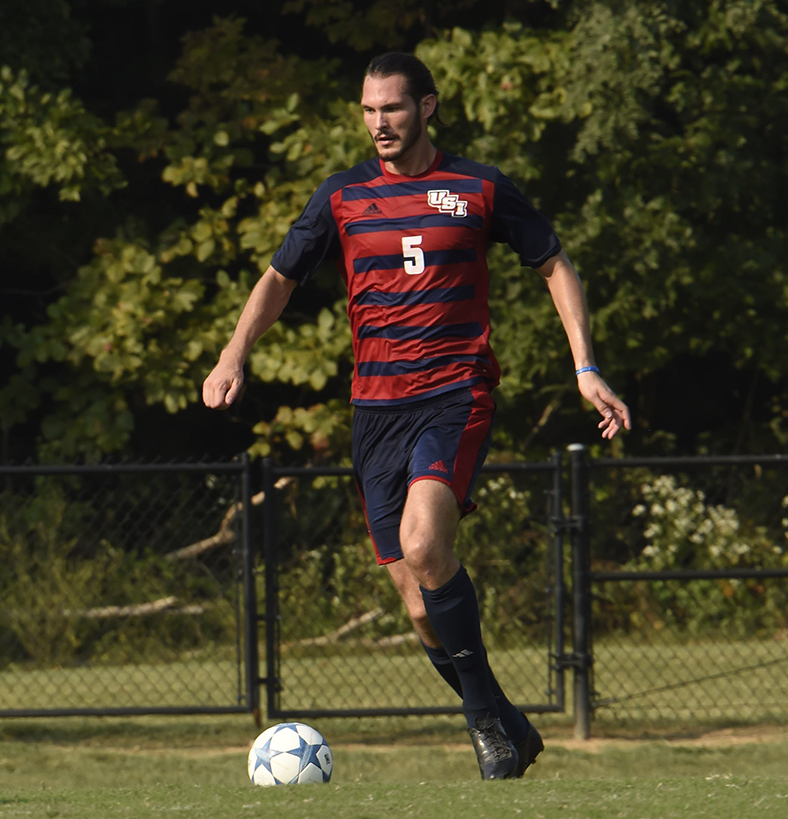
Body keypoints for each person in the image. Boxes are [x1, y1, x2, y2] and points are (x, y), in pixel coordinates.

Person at [203, 52, 631, 779]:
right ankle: (506, 722)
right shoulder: (340, 197)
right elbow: (280, 277)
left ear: (427, 107)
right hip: (374, 412)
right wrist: (233, 352)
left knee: (427, 543)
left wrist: (585, 366)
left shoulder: (479, 187)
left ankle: (484, 729)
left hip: (454, 395)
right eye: (369, 111)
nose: (379, 124)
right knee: (417, 602)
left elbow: (555, 263)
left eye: (393, 109)